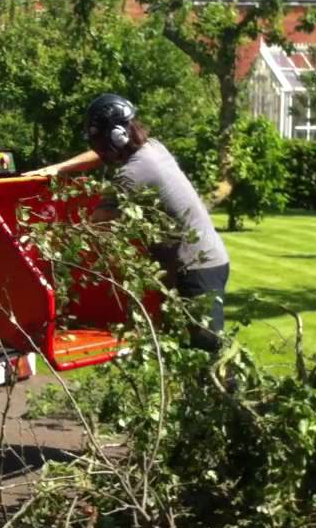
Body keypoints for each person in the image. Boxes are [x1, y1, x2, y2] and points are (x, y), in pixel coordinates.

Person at [26, 93, 230, 351]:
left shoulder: (131, 176)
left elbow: (94, 226)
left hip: (196, 271)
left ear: (117, 137)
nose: (100, 150)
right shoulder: (153, 147)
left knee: (206, 353)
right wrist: (59, 168)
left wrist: (51, 238)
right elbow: (99, 156)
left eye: (101, 143)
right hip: (205, 261)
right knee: (180, 349)